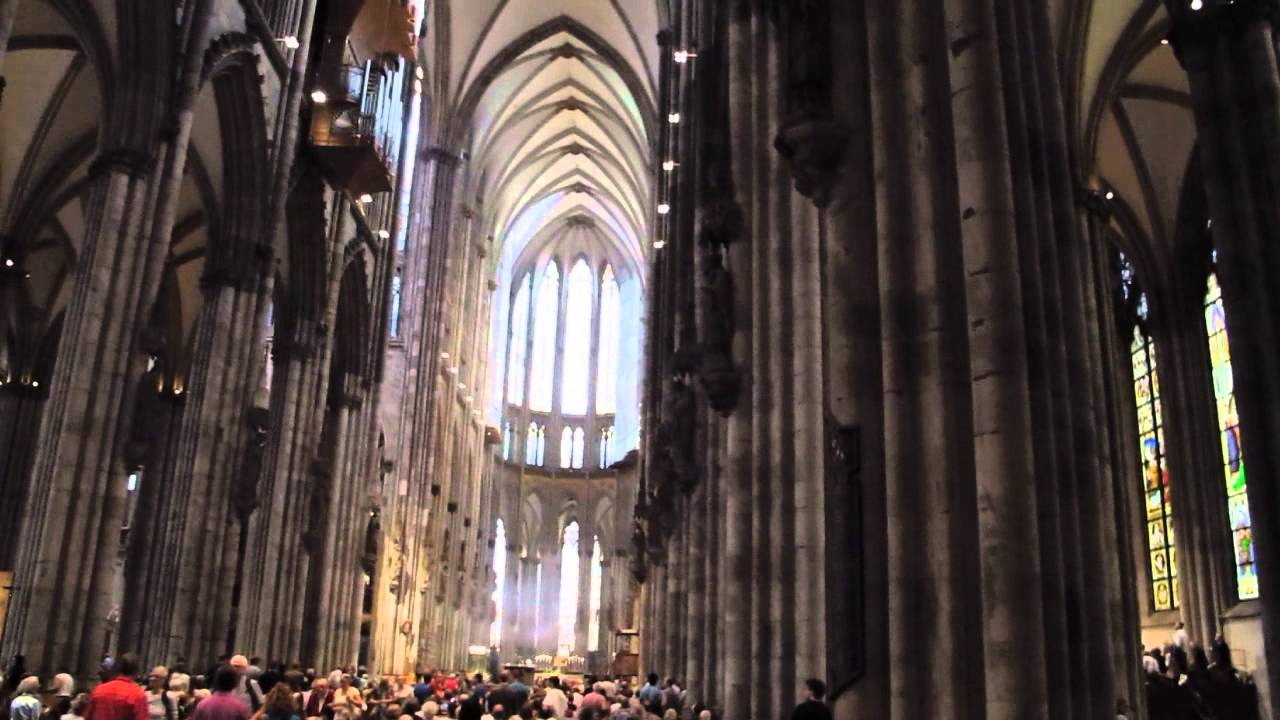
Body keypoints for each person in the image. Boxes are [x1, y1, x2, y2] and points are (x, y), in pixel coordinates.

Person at [87, 655, 148, 720]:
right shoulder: (138, 695)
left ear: (117, 669)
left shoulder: (99, 689)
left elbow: (88, 716)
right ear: (136, 672)